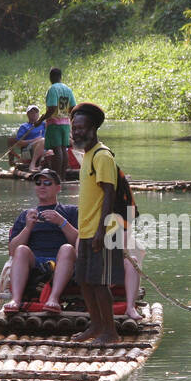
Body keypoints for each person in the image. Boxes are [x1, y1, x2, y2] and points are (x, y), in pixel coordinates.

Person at [71, 102, 124, 344]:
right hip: (86, 230)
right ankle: (96, 326)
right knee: (84, 280)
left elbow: (109, 194)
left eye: (81, 128)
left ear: (93, 129)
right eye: (74, 128)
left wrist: (101, 231)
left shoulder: (102, 156)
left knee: (100, 283)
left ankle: (110, 332)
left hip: (103, 231)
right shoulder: (87, 156)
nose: (77, 132)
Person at [6, 169, 79, 314]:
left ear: (58, 188)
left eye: (47, 183)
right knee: (21, 249)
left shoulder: (71, 211)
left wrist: (62, 222)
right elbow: (12, 250)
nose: (42, 186)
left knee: (67, 248)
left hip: (63, 259)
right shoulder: (26, 215)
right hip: (35, 261)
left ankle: (53, 298)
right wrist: (28, 227)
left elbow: (80, 242)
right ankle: (16, 299)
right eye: (38, 183)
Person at [42, 72, 75, 181]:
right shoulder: (68, 89)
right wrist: (67, 116)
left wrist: (41, 119)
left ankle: (56, 178)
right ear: (61, 77)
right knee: (63, 149)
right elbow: (73, 107)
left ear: (51, 77)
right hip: (65, 124)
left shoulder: (53, 89)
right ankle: (63, 177)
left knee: (57, 150)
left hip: (54, 123)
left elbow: (52, 107)